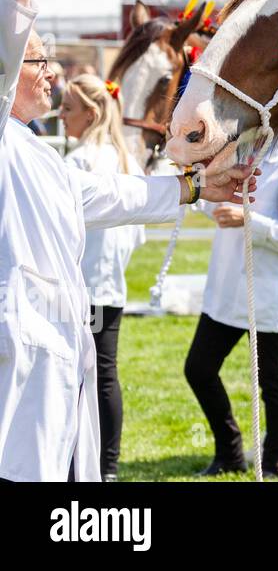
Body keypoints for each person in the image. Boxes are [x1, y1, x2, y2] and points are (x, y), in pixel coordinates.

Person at [1, 0, 255, 482]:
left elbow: (109, 197)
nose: (53, 72)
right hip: (17, 356)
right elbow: (4, 37)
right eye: (40, 61)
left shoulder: (35, 155)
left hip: (55, 357)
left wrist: (196, 190)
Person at [184, 134, 278, 478]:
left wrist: (249, 222)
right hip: (227, 292)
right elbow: (212, 203)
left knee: (272, 383)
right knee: (198, 368)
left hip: (268, 295)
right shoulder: (237, 161)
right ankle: (229, 451)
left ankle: (273, 463)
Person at [60, 74, 148, 481]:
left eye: (67, 109)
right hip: (111, 285)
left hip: (80, 287)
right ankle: (107, 466)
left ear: (91, 114)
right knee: (106, 374)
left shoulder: (77, 162)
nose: (60, 117)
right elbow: (138, 231)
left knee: (79, 378)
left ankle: (81, 463)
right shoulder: (126, 159)